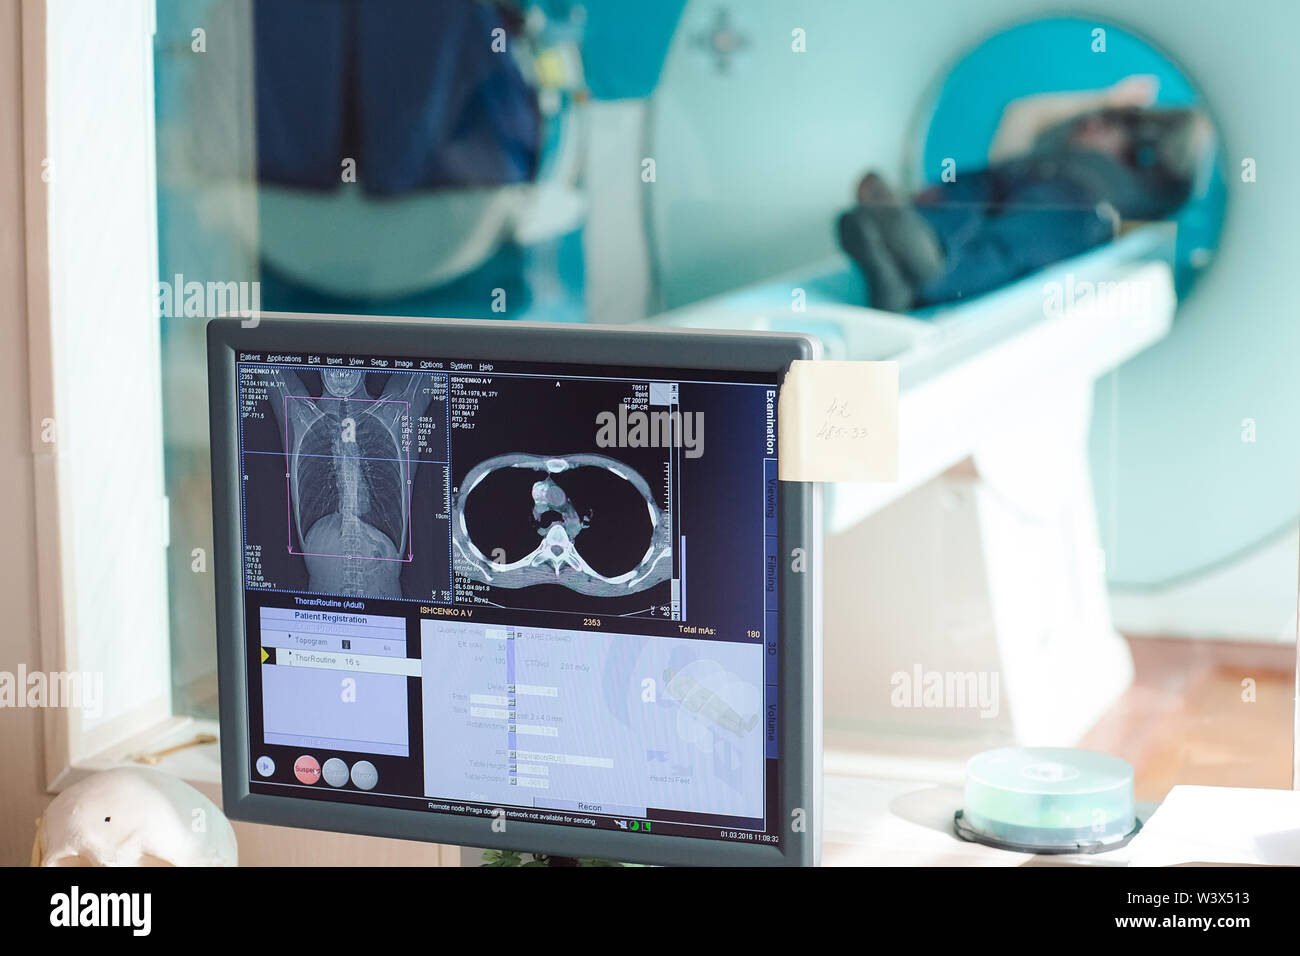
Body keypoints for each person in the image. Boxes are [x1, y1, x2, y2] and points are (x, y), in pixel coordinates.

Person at [837, 78, 1214, 311]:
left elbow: (1183, 154)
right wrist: (1106, 99)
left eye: (1109, 125)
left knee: (1018, 241)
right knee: (965, 195)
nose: (1090, 123)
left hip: (1072, 209)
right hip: (1003, 185)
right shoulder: (1034, 157)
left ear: (1138, 154)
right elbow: (1022, 112)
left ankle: (923, 273)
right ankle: (900, 246)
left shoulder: (1120, 195)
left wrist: (1128, 115)